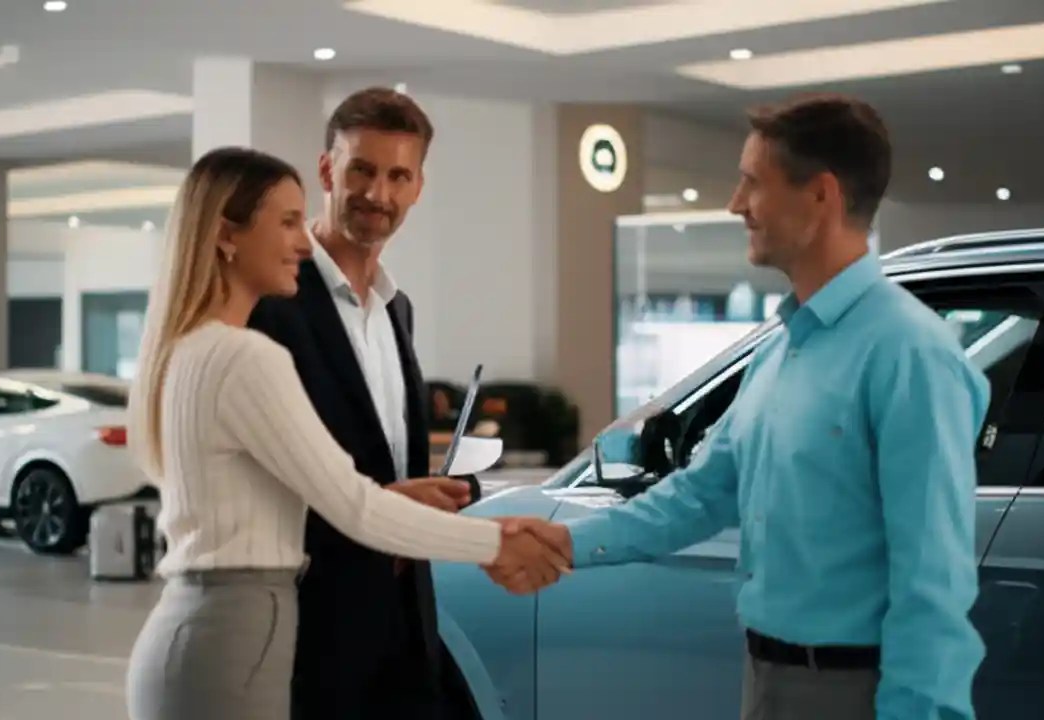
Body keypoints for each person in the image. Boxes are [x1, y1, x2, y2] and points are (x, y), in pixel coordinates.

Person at [500, 95, 990, 720]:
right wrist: (566, 540)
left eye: (752, 183)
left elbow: (934, 586)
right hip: (766, 678)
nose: (736, 204)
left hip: (855, 692)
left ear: (821, 197)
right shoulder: (779, 350)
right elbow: (702, 494)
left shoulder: (911, 354)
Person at [124, 146, 566, 720]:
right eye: (285, 222)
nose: (304, 243)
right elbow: (354, 508)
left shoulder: (186, 351)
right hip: (232, 641)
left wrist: (384, 501)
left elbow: (300, 498)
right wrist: (495, 543)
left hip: (202, 634)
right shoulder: (244, 357)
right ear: (226, 235)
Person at [244, 87, 472, 719]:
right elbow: (256, 478)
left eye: (399, 175)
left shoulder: (398, 311)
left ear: (419, 186)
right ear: (327, 170)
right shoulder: (271, 306)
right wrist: (377, 511)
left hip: (405, 621)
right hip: (315, 625)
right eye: (362, 170)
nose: (379, 194)